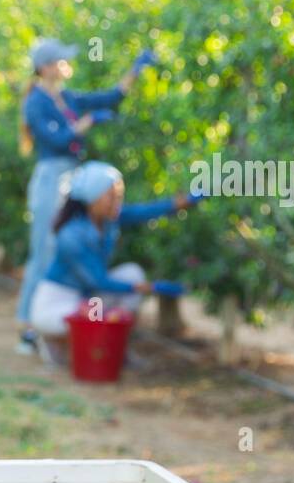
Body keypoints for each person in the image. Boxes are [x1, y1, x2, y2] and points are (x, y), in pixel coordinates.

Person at [15, 39, 157, 354]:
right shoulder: (36, 102)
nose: (67, 64)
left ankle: (69, 327)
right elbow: (55, 138)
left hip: (69, 177)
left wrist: (134, 71)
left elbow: (111, 97)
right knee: (44, 251)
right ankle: (27, 327)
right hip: (51, 177)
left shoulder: (66, 98)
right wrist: (86, 124)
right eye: (61, 60)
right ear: (45, 67)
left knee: (60, 252)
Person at [28, 161, 199, 363]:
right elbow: (97, 281)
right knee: (92, 313)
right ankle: (57, 342)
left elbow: (142, 212)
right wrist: (148, 287)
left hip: (86, 298)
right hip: (56, 303)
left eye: (119, 195)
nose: (117, 201)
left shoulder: (108, 219)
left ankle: (112, 348)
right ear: (92, 198)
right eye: (111, 196)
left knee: (131, 274)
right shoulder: (71, 236)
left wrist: (178, 204)